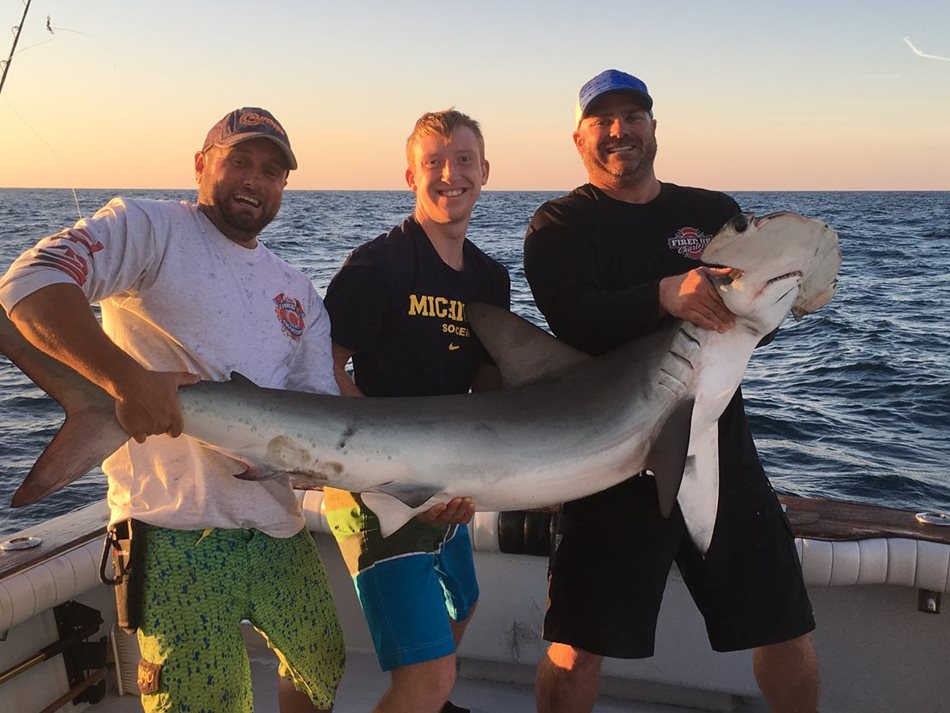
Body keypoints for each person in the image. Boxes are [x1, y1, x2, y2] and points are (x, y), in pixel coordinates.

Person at [0, 107, 345, 713]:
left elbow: (317, 407)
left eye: (271, 170)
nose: (254, 180)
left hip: (276, 524)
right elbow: (30, 281)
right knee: (201, 702)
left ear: (284, 186)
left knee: (322, 662)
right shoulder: (149, 227)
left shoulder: (296, 289)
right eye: (239, 160)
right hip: (172, 530)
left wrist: (399, 482)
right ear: (201, 163)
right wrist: (126, 380)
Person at [524, 70, 820, 713]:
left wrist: (776, 304)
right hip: (608, 456)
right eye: (602, 120)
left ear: (655, 128)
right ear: (578, 138)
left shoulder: (712, 214)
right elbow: (573, 318)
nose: (618, 130)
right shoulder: (560, 224)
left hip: (720, 445)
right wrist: (664, 294)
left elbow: (747, 329)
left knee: (785, 627)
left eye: (632, 116)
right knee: (577, 646)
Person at [321, 109, 511, 713]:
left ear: (485, 172)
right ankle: (424, 696)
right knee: (429, 678)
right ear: (410, 176)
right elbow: (321, 370)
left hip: (447, 483)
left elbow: (485, 382)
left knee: (465, 601)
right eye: (433, 162)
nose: (449, 174)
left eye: (463, 160)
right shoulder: (377, 265)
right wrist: (387, 459)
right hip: (375, 494)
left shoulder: (490, 277)